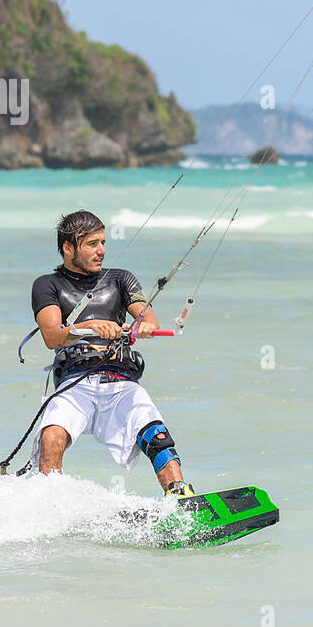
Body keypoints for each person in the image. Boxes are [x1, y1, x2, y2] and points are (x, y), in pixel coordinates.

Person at [26, 210, 194, 497]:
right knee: (51, 436)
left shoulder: (121, 279)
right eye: (92, 244)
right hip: (75, 383)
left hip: (121, 382)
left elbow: (148, 320)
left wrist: (143, 327)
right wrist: (89, 326)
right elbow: (52, 337)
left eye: (103, 242)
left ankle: (181, 498)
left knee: (158, 436)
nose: (101, 250)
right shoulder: (47, 285)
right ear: (69, 248)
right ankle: (48, 502)